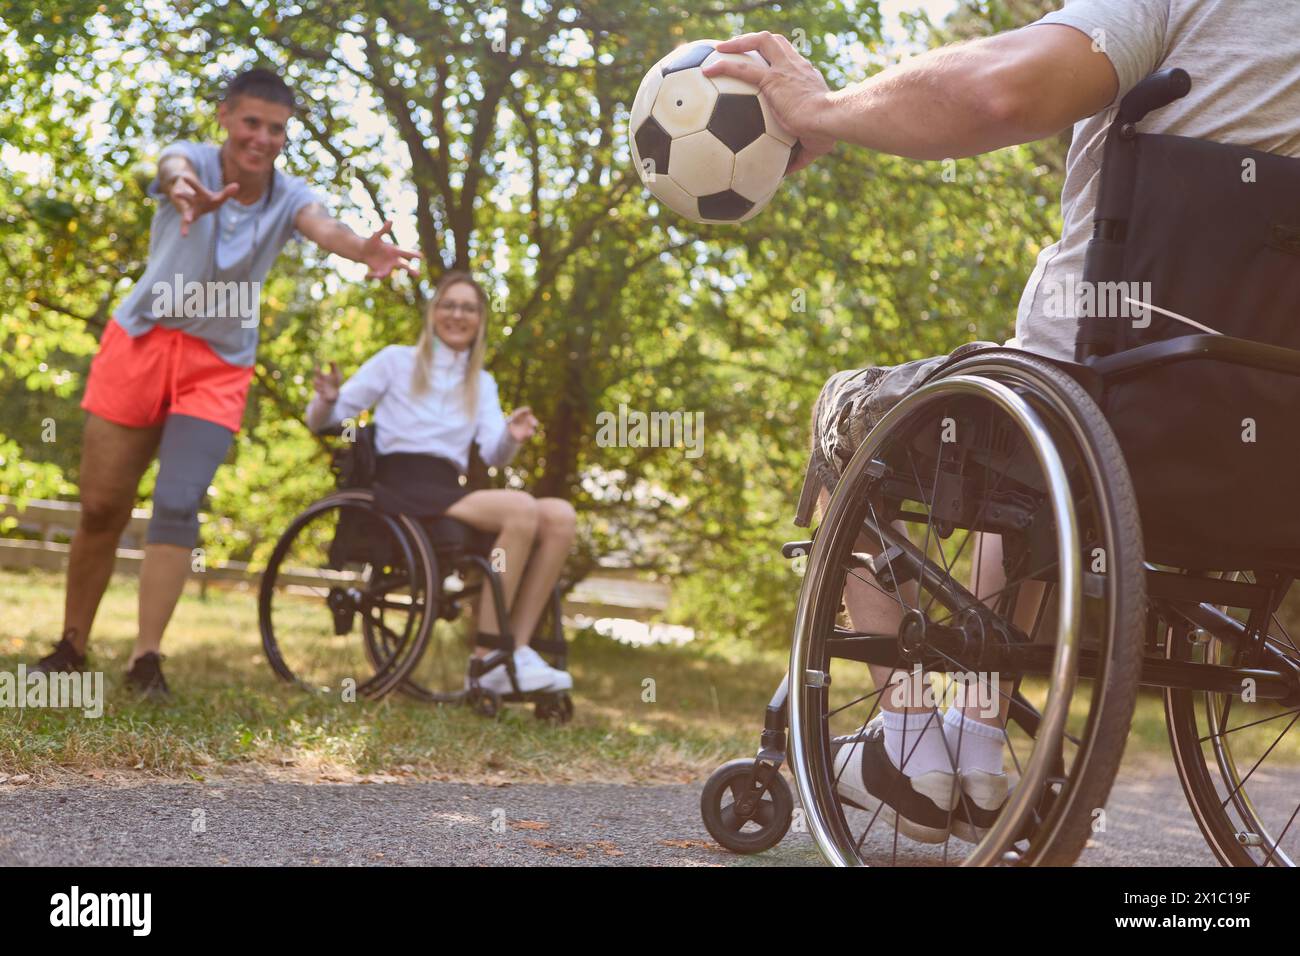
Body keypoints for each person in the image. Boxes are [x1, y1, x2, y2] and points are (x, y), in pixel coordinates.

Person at [702, 0, 1300, 841]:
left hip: (1099, 403)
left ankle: (908, 741)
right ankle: (977, 745)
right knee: (1037, 455)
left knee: (851, 414)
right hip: (1271, 450)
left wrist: (823, 108)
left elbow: (1000, 93)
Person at [29, 67, 422, 696]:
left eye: (276, 129)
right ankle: (72, 646)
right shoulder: (191, 163)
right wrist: (185, 191)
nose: (262, 138)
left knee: (179, 503)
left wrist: (361, 250)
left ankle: (146, 659)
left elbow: (326, 227)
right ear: (225, 117)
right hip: (140, 344)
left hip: (217, 365)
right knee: (102, 508)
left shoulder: (288, 198)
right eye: (251, 122)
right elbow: (170, 170)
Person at [307, 271, 577, 695]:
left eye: (468, 308)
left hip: (448, 486)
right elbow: (326, 421)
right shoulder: (396, 360)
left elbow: (493, 454)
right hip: (398, 484)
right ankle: (487, 657)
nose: (458, 315)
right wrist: (324, 401)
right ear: (434, 313)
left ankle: (517, 651)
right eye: (449, 305)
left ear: (480, 320)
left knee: (560, 516)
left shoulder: (481, 382)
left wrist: (511, 437)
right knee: (522, 507)